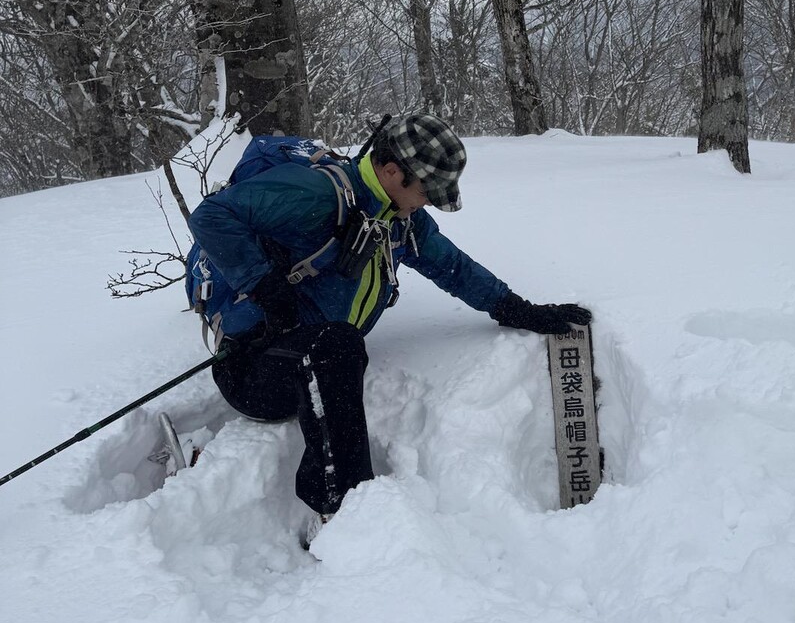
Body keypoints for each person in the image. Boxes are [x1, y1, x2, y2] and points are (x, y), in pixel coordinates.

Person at [187, 114, 591, 524]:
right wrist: (262, 282)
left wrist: (516, 309)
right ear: (392, 170)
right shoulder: (316, 194)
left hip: (313, 358)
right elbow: (211, 216)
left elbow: (452, 267)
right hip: (253, 366)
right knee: (337, 346)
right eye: (428, 191)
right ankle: (342, 509)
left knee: (337, 345)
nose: (431, 200)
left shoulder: (398, 219)